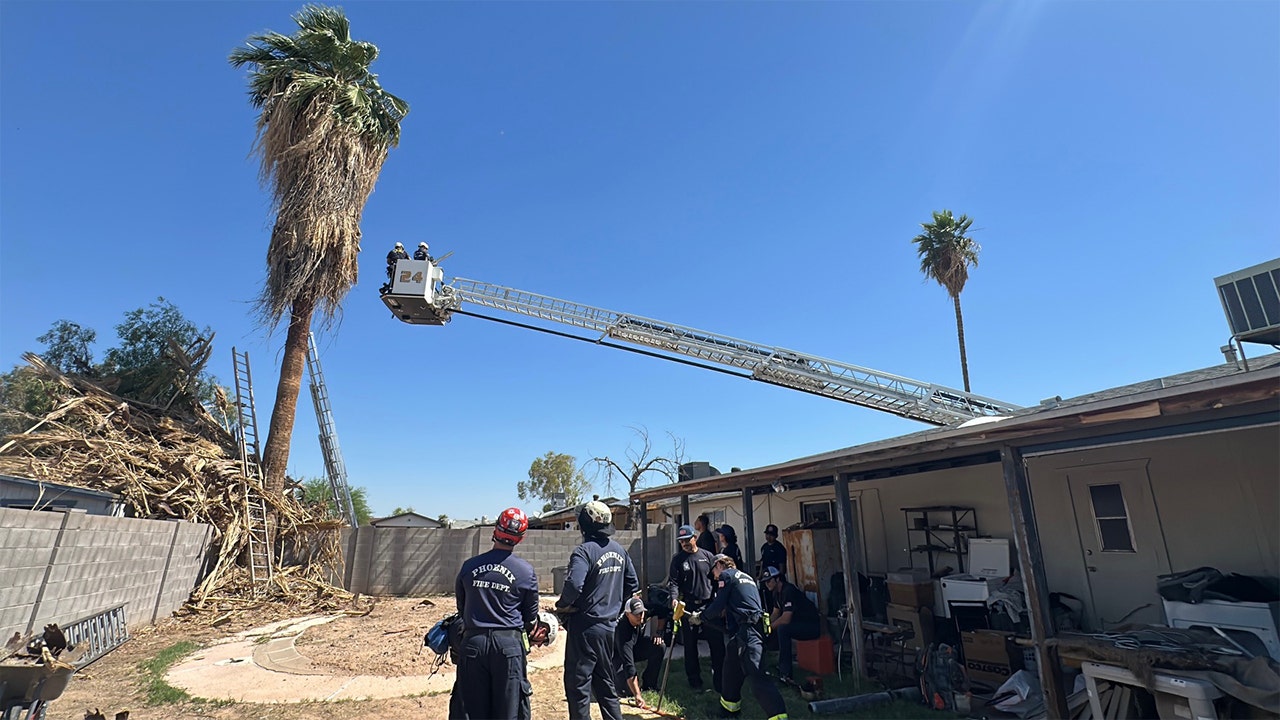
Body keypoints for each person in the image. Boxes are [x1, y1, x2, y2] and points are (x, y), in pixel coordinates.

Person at [455, 507, 545, 720]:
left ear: (496, 529)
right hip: (509, 647)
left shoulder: (469, 567)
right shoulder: (525, 572)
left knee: (472, 711)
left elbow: (462, 608)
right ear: (520, 538)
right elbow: (530, 618)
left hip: (473, 644)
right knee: (509, 711)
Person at [555, 500, 639, 720]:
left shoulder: (584, 552)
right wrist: (614, 607)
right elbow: (632, 584)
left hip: (585, 628)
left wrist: (562, 605)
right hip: (608, 627)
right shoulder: (619, 550)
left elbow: (574, 585)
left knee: (578, 686)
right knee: (605, 682)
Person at [692, 555, 789, 720]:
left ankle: (778, 716)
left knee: (757, 675)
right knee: (730, 672)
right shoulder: (746, 577)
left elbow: (718, 605)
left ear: (721, 565)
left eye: (714, 571)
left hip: (748, 633)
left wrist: (701, 616)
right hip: (745, 631)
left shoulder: (726, 575)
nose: (714, 576)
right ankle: (729, 711)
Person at [661, 524, 725, 693]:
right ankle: (694, 681)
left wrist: (720, 600)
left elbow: (718, 578)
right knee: (690, 646)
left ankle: (720, 678)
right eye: (681, 541)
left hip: (709, 606)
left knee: (717, 644)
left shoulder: (708, 556)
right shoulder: (678, 559)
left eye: (687, 540)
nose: (684, 544)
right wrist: (674, 599)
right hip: (688, 607)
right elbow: (673, 583)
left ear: (694, 538)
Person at [762, 566, 821, 684]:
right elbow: (775, 613)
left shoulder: (788, 590)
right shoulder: (776, 593)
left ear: (777, 579)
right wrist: (764, 626)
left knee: (782, 629)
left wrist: (769, 628)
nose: (767, 584)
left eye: (769, 580)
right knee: (772, 629)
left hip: (811, 626)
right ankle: (771, 666)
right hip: (798, 625)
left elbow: (785, 619)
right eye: (765, 582)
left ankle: (786, 673)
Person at [615, 595, 663, 707]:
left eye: (641, 612)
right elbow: (629, 666)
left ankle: (649, 684)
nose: (640, 616)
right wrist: (637, 695)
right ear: (627, 614)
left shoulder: (644, 612)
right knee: (626, 692)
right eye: (636, 614)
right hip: (617, 654)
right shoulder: (623, 632)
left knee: (659, 646)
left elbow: (663, 610)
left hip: (636, 645)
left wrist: (658, 632)